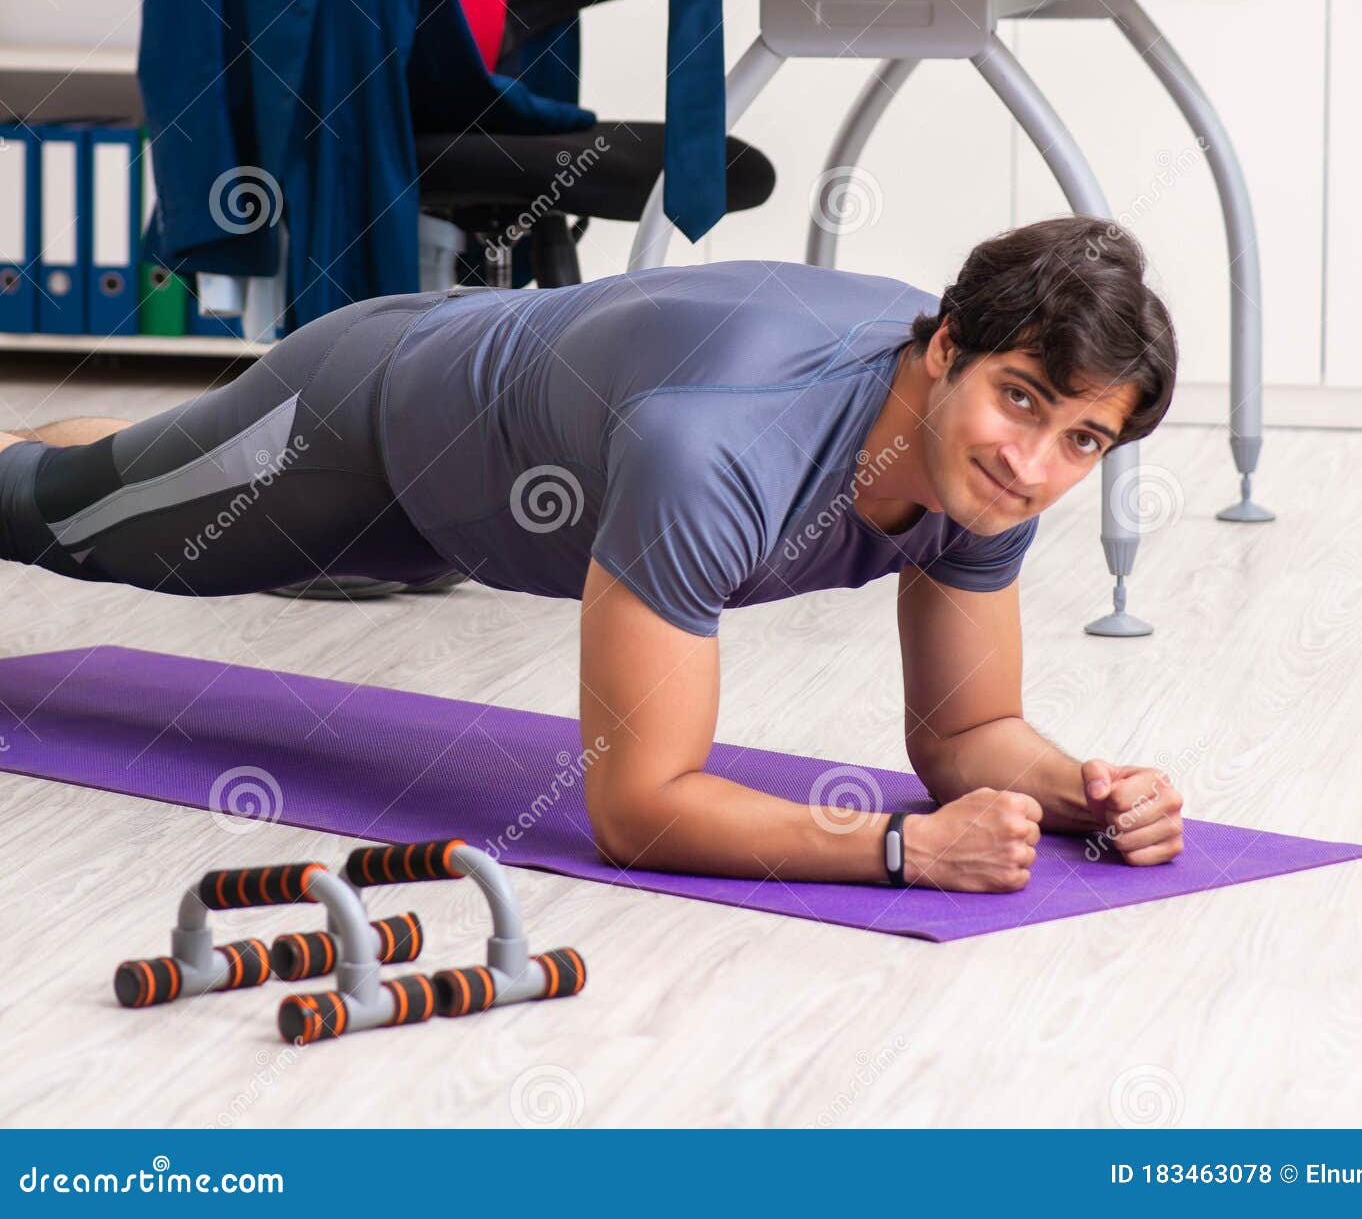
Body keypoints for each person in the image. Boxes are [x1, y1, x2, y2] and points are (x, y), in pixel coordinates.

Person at [0, 214, 1183, 894]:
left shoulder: (994, 474)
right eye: (1021, 403)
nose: (1035, 463)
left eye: (1082, 437)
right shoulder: (717, 445)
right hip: (359, 433)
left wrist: (1088, 794)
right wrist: (896, 851)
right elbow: (636, 809)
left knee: (127, 463)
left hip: (478, 502)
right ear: (942, 349)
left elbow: (965, 737)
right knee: (72, 518)